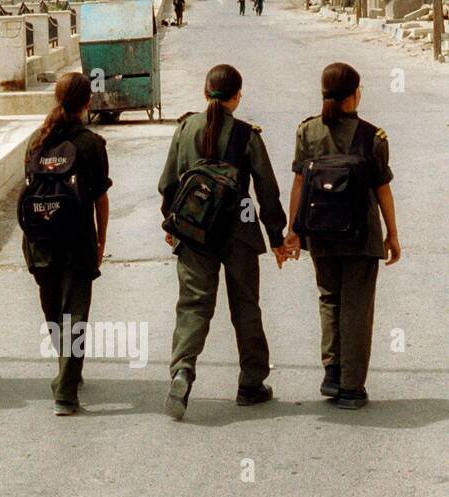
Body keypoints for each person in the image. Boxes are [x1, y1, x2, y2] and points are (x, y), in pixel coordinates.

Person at [158, 64, 293, 421]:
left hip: (194, 233)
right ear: (237, 96)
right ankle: (251, 383)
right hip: (239, 232)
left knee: (193, 306)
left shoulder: (186, 129)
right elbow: (267, 190)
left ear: (205, 94)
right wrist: (277, 237)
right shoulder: (247, 135)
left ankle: (182, 371)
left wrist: (171, 221)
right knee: (246, 307)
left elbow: (168, 183)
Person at [287, 63, 400, 410]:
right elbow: (383, 191)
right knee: (357, 306)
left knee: (329, 298)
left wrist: (293, 231)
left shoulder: (308, 132)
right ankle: (351, 387)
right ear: (354, 95)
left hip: (321, 234)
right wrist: (392, 234)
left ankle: (332, 373)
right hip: (360, 236)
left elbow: (299, 183)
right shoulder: (372, 137)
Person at [19, 72, 110, 415]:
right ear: (87, 103)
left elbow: (26, 190)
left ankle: (66, 369)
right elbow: (100, 198)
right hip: (76, 242)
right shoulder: (91, 143)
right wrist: (101, 242)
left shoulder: (36, 141)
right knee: (75, 314)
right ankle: (66, 391)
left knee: (54, 311)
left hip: (39, 240)